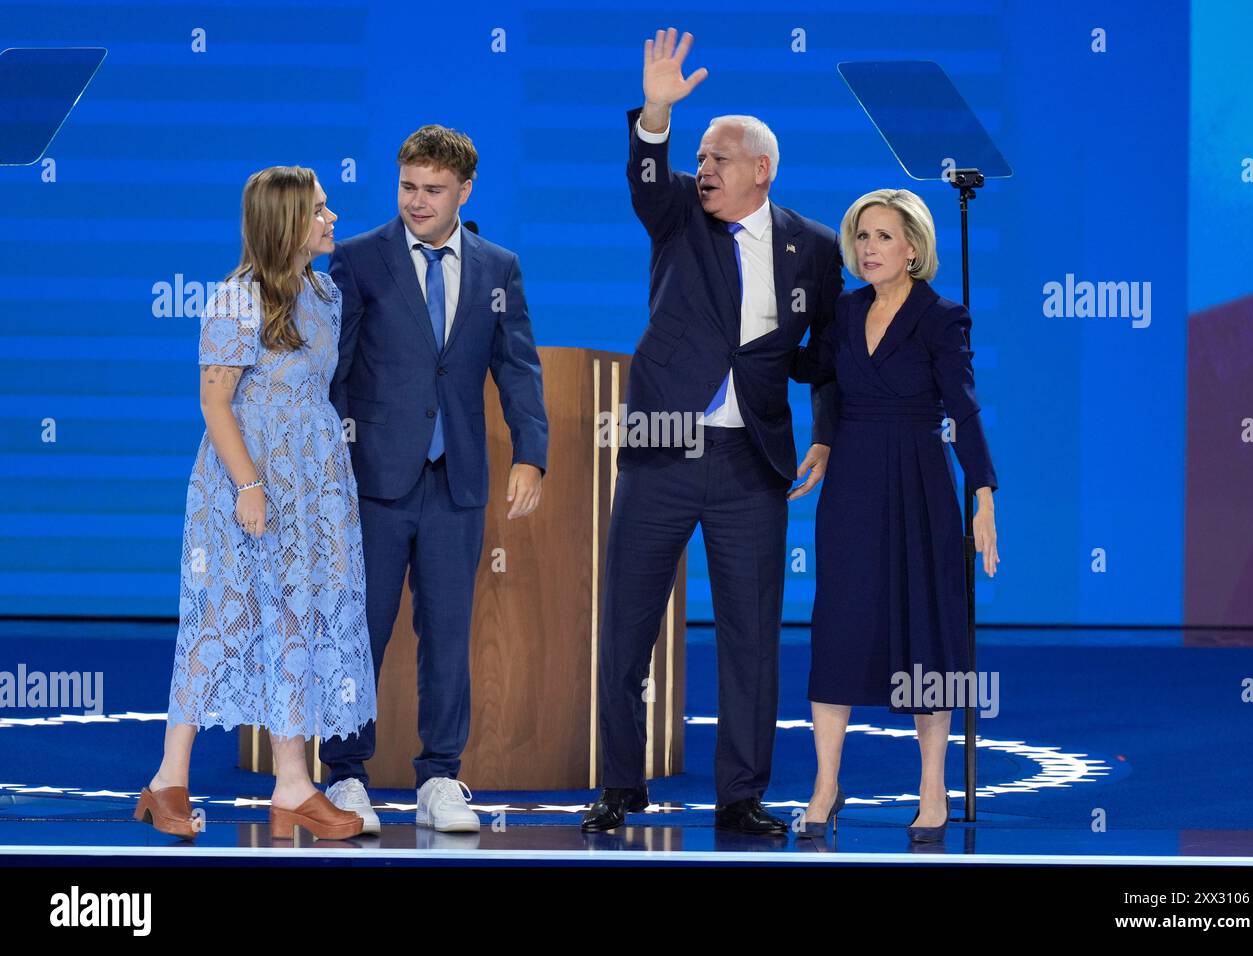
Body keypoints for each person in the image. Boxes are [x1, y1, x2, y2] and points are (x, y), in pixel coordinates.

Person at [582, 28, 843, 835]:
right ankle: (621, 787)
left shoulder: (816, 249)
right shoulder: (677, 221)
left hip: (750, 462)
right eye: (698, 155)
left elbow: (827, 355)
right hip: (664, 449)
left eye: (718, 157)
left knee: (750, 637)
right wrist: (655, 112)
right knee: (625, 628)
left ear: (761, 169)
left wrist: (825, 435)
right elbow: (648, 175)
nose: (704, 168)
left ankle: (740, 795)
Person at [319, 125, 548, 834]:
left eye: (434, 190)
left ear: (464, 191)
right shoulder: (357, 262)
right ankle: (346, 774)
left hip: (458, 482)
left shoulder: (497, 268)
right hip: (374, 482)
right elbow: (334, 374)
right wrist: (329, 470)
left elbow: (518, 366)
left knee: (449, 634)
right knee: (362, 631)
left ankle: (441, 777)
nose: (418, 201)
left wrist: (531, 453)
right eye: (408, 187)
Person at [138, 166, 378, 841]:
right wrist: (249, 485)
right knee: (222, 623)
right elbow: (216, 402)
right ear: (288, 223)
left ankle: (294, 785)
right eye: (320, 210)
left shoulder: (325, 294)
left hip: (314, 488)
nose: (333, 219)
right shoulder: (236, 299)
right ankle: (167, 779)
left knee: (297, 624)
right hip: (245, 487)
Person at [790, 188, 1000, 842]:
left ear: (913, 248)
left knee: (925, 633)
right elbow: (809, 369)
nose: (868, 249)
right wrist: (752, 329)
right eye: (862, 237)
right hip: (851, 483)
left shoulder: (942, 316)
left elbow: (963, 407)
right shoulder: (844, 313)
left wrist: (984, 492)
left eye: (883, 237)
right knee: (841, 627)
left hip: (920, 482)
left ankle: (931, 787)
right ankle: (826, 784)